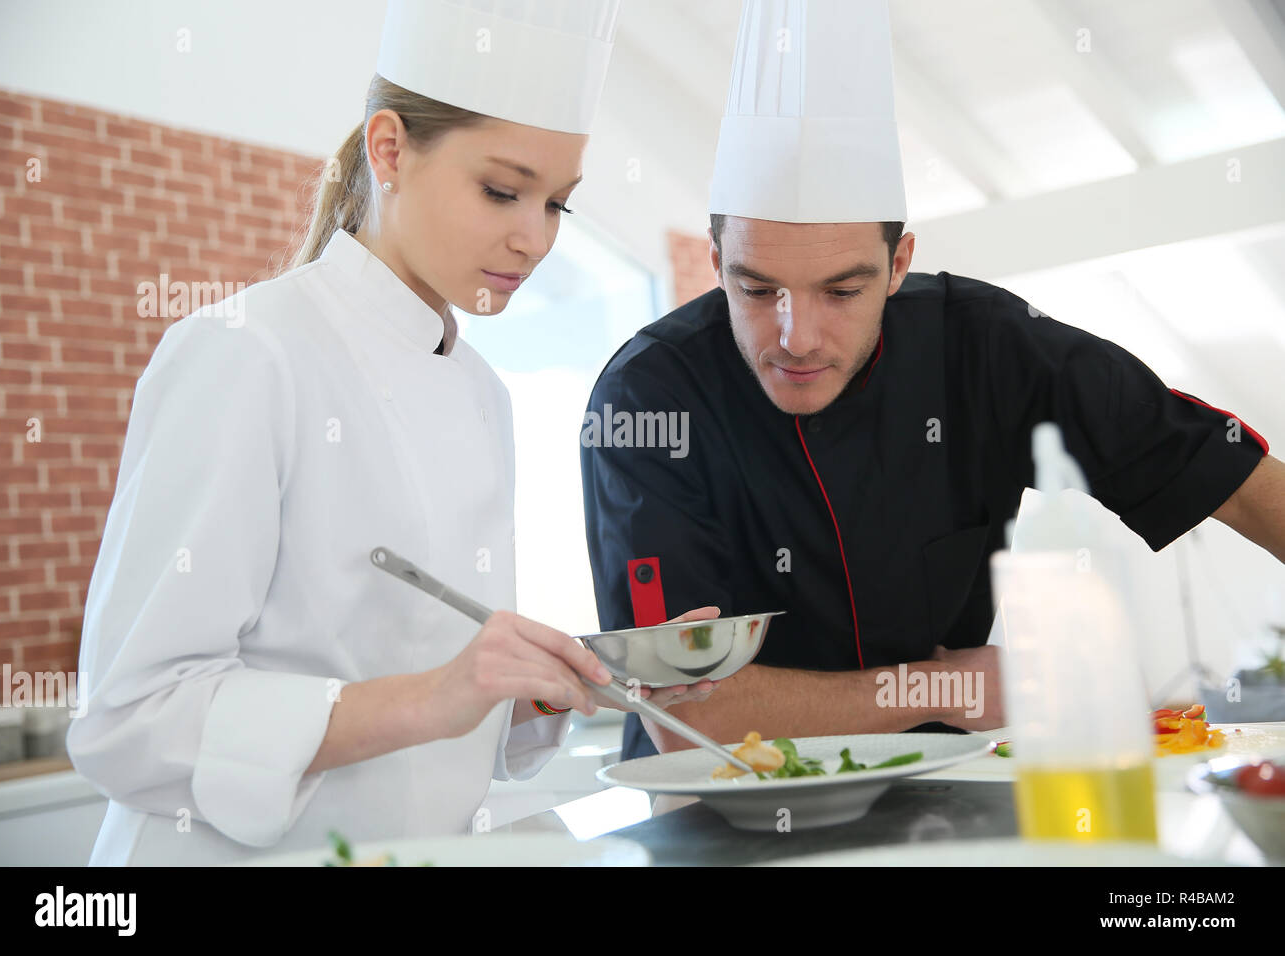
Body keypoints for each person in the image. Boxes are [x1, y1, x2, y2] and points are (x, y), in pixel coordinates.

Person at [70, 0, 715, 866]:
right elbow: (125, 721)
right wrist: (430, 696)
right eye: (502, 189)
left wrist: (552, 685)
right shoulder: (246, 354)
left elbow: (446, 718)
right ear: (388, 150)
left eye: (559, 203)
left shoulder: (484, 392)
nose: (535, 238)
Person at [580, 0, 1285, 761]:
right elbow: (692, 715)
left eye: (843, 292)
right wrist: (944, 688)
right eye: (756, 290)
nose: (797, 337)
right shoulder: (648, 399)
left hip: (937, 794)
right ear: (716, 264)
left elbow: (1234, 479)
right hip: (713, 814)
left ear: (900, 264)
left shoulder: (987, 347)